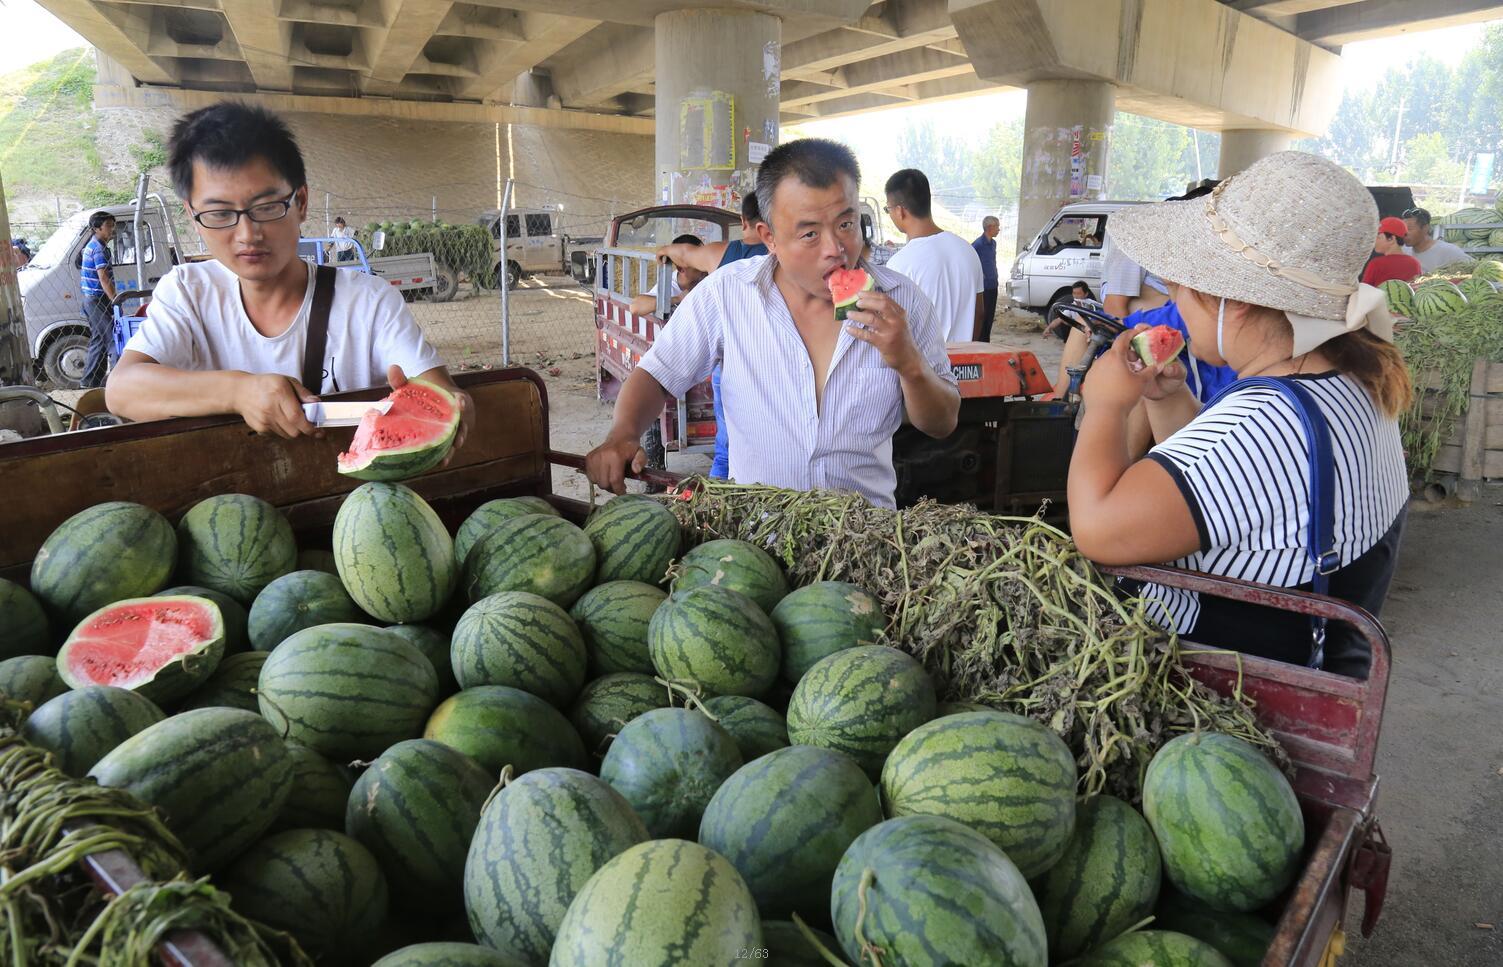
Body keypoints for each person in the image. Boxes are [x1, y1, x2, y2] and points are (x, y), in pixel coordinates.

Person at [1068, 151, 1410, 679]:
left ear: (1237, 301)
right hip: (1316, 666)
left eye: (1181, 287)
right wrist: (1165, 398)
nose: (1174, 302)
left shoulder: (1260, 429)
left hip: (1221, 687)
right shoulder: (1354, 383)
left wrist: (1106, 406)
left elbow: (1096, 529)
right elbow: (1237, 496)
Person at [584, 138, 959, 507]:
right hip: (758, 536)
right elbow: (657, 373)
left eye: (846, 224)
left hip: (861, 542)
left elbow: (942, 423)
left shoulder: (903, 301)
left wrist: (910, 366)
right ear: (770, 238)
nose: (836, 248)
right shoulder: (727, 294)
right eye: (810, 233)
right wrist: (623, 432)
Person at [107, 102, 471, 445]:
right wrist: (240, 391)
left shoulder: (369, 301)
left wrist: (451, 409)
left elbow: (441, 395)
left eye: (266, 207)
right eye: (219, 214)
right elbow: (122, 390)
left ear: (301, 203)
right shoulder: (187, 293)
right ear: (192, 216)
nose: (248, 234)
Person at [654, 193, 772, 480]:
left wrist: (665, 249)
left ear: (744, 220)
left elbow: (683, 253)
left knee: (727, 447)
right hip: (778, 361)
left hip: (732, 362)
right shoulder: (793, 255)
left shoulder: (724, 253)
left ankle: (719, 502)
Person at [883, 169, 986, 343]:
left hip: (923, 367)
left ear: (900, 211)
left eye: (888, 209)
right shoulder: (967, 250)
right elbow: (980, 313)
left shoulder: (899, 264)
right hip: (965, 364)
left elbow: (895, 330)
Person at [80, 211, 118, 389]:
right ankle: (119, 382)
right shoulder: (98, 249)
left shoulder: (96, 245)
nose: (112, 229)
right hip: (97, 300)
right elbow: (104, 279)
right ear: (97, 228)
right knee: (113, 340)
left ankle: (89, 383)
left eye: (112, 225)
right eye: (108, 226)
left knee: (99, 341)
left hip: (93, 300)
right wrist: (116, 300)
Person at [628, 234, 706, 317]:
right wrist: (678, 299)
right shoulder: (670, 286)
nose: (704, 263)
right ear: (681, 269)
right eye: (697, 261)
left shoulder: (709, 275)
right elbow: (635, 307)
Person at [1402, 207, 1469, 273]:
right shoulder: (1404, 251)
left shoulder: (1448, 250)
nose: (1404, 233)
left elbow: (1474, 267)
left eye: (1410, 229)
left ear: (1425, 228)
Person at [1360, 217, 1421, 286]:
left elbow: (1364, 292)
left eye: (1378, 237)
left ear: (1391, 239)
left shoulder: (1376, 264)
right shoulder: (1415, 263)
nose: (1374, 241)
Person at [972, 215, 1001, 343]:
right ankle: (979, 343)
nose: (999, 230)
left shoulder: (993, 243)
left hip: (993, 285)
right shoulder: (977, 245)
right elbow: (969, 262)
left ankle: (986, 342)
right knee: (982, 317)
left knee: (990, 317)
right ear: (989, 227)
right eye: (997, 227)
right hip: (982, 288)